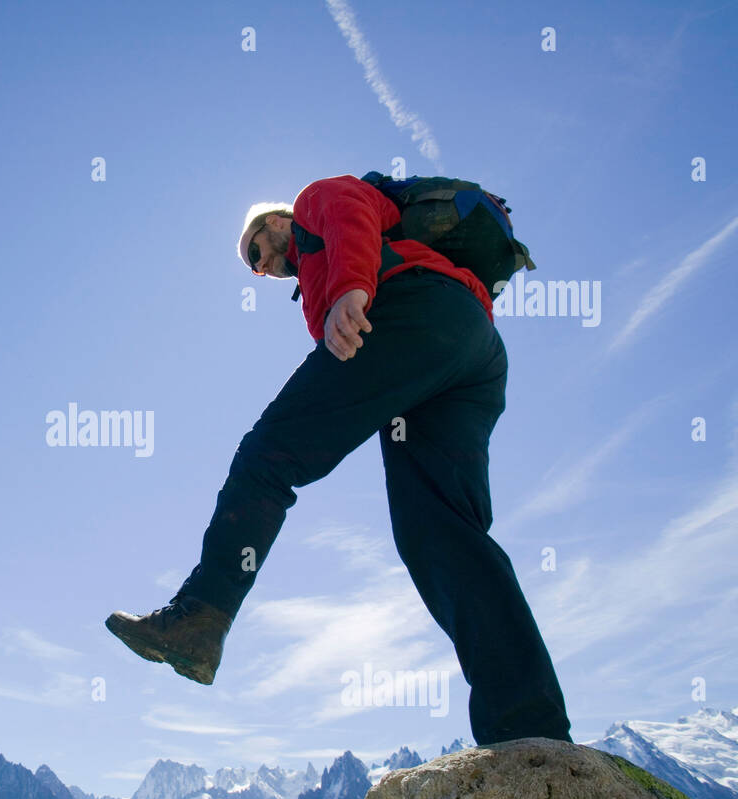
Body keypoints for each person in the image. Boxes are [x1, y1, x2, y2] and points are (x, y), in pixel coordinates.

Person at [104, 173, 573, 746]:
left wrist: (354, 286)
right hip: (471, 346)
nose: (262, 269)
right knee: (444, 534)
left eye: (256, 252)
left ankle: (199, 617)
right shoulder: (316, 277)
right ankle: (529, 729)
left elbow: (351, 210)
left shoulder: (312, 204)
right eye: (254, 268)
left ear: (276, 224)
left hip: (409, 309)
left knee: (266, 458)